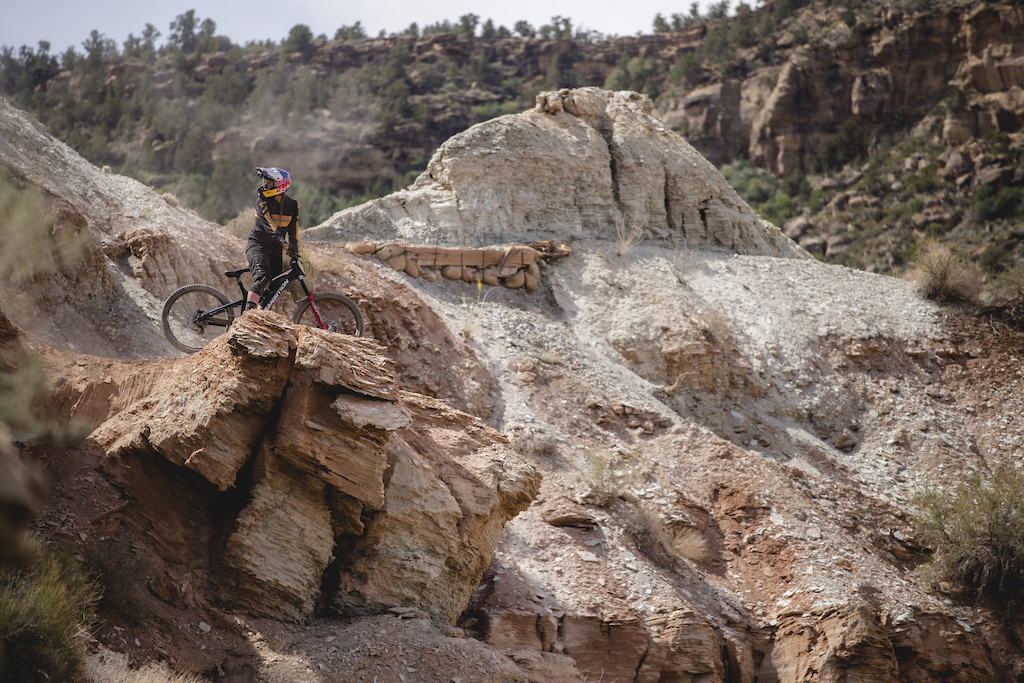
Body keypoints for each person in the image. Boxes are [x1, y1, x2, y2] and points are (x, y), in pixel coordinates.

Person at [246, 167, 300, 311]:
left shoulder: (293, 205)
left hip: (276, 249)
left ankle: (260, 314)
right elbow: (270, 227)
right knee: (263, 279)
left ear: (280, 185)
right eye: (264, 182)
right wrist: (283, 242)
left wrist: (295, 252)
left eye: (268, 183)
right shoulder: (261, 201)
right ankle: (246, 316)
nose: (264, 186)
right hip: (258, 244)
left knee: (276, 285)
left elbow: (294, 231)